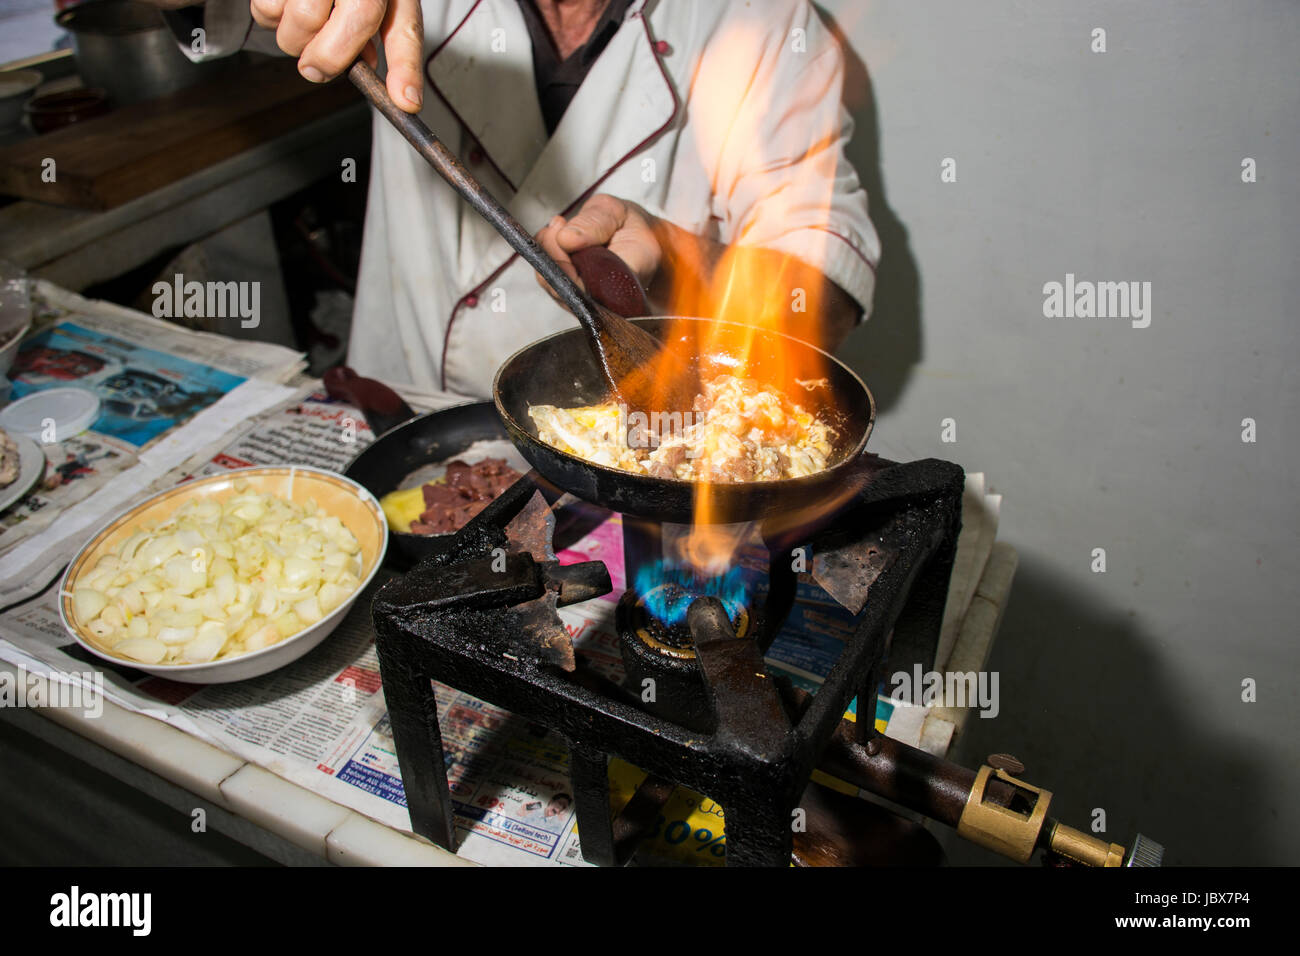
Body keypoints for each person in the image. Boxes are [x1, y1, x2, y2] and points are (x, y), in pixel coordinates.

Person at [154, 0, 880, 396]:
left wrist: (670, 253)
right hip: (403, 416)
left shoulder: (768, 26)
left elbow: (826, 303)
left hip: (615, 451)